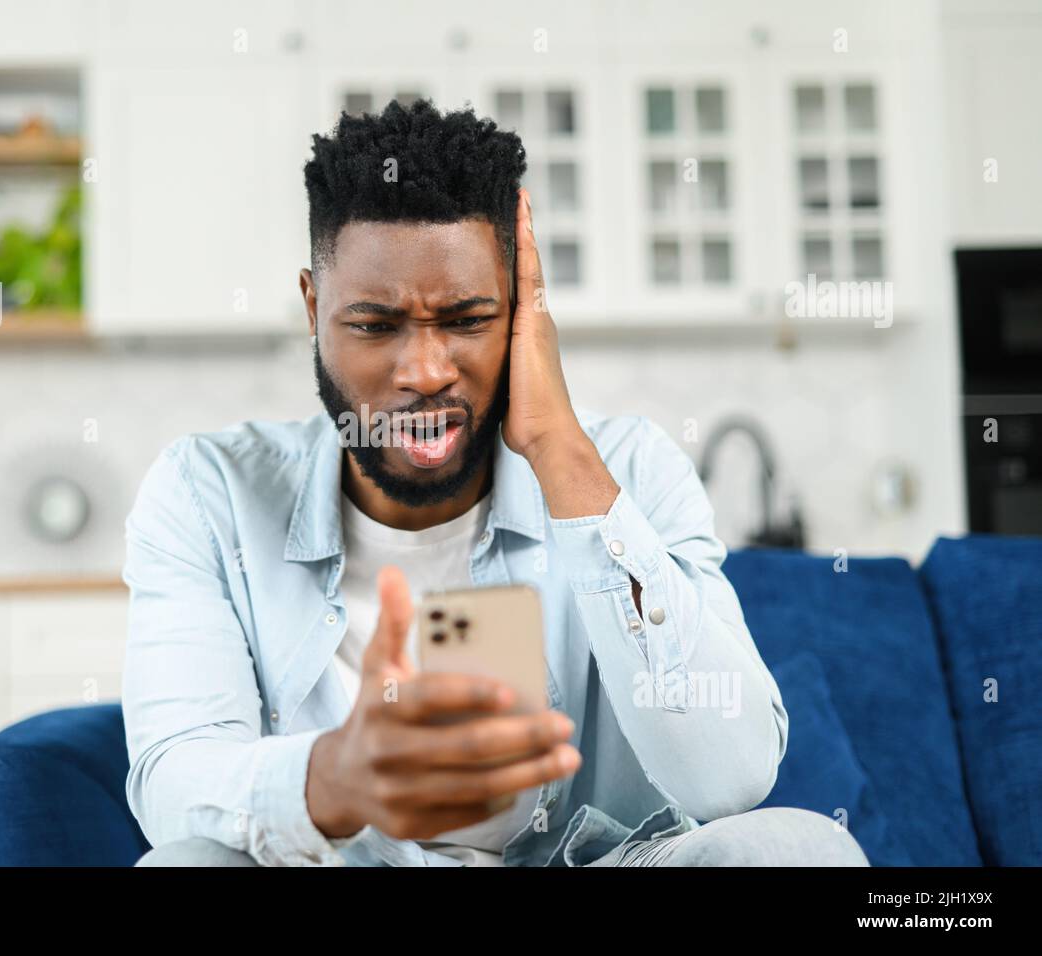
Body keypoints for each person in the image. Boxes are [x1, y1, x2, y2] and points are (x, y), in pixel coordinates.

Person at [124, 99, 868, 867]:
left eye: (468, 318)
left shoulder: (631, 466)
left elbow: (731, 779)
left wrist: (558, 448)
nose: (424, 372)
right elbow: (172, 786)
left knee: (804, 852)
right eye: (375, 326)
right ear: (314, 309)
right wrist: (339, 776)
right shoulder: (205, 493)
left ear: (522, 311)